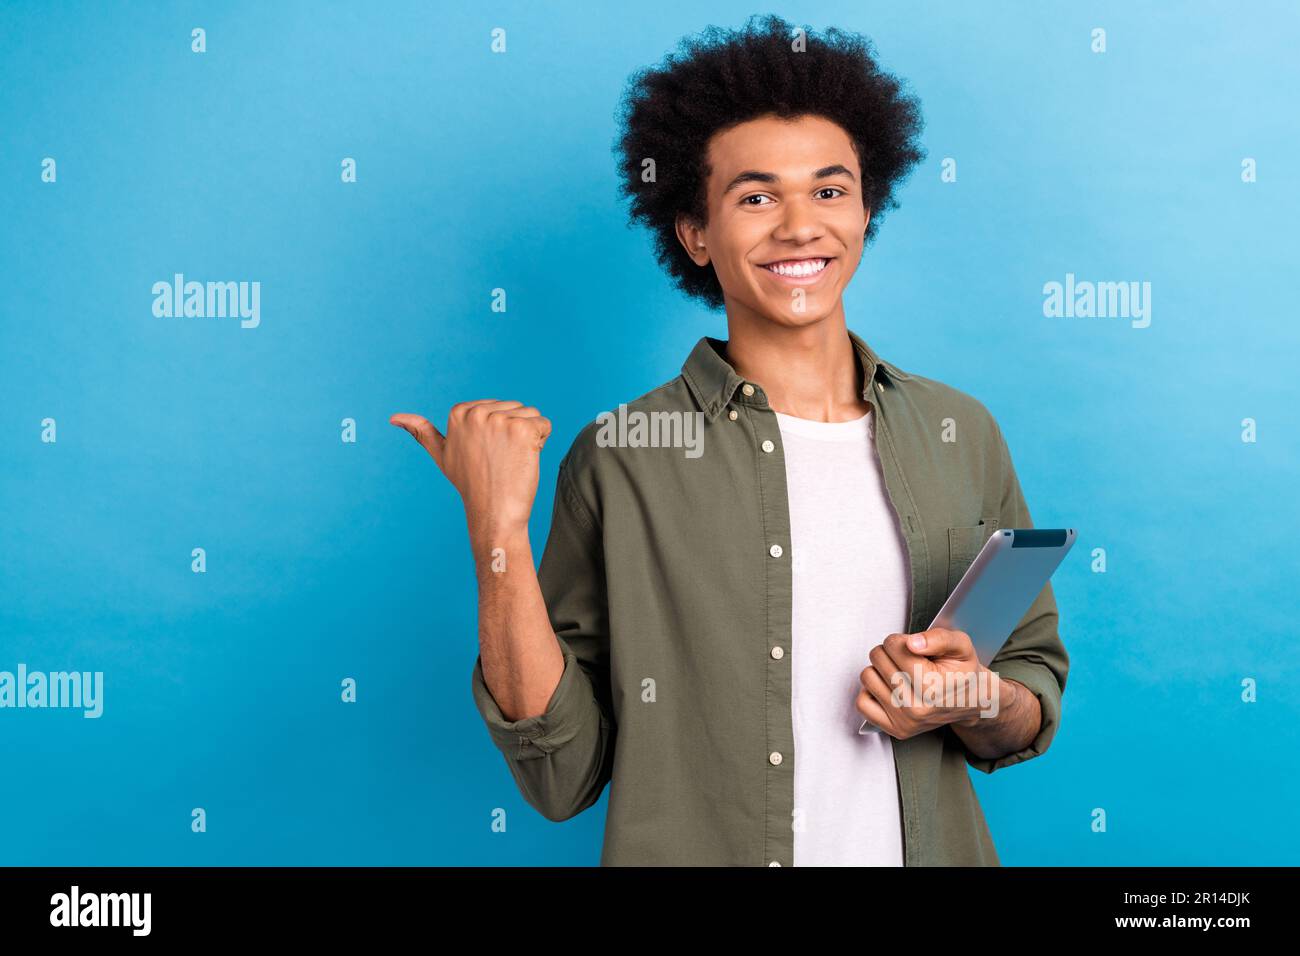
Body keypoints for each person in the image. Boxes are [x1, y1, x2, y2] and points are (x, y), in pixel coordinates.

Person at [391, 14, 1068, 866]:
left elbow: (1030, 693)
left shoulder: (960, 433)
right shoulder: (624, 454)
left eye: (830, 190)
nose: (799, 227)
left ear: (866, 208)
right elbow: (560, 775)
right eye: (756, 197)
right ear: (696, 233)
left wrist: (969, 697)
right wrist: (495, 532)